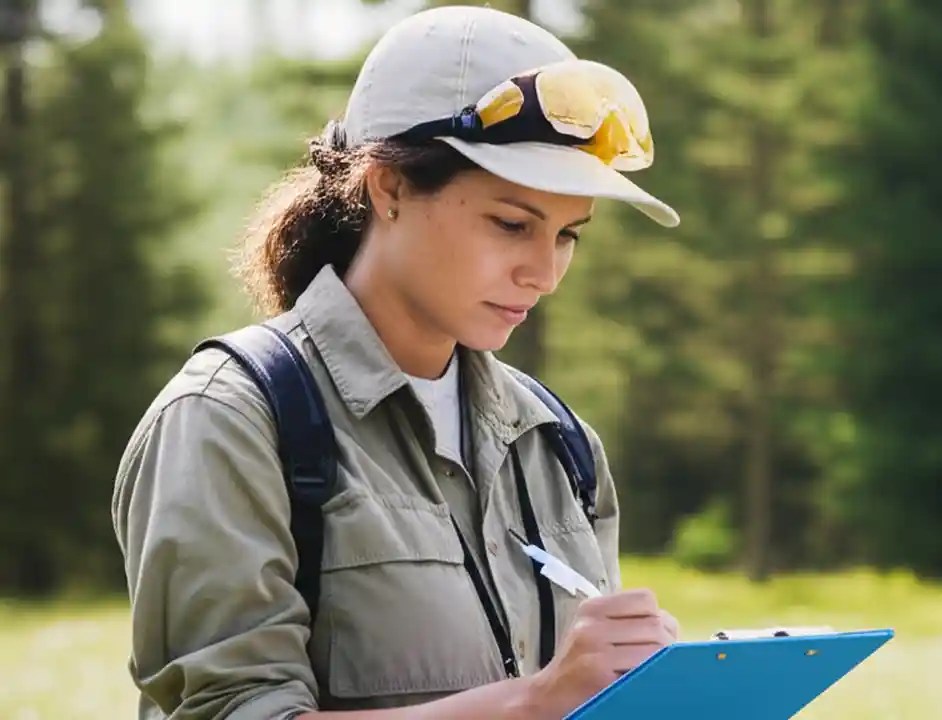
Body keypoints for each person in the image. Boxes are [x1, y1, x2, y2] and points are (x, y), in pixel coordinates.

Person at [111, 6, 682, 719]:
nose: (545, 272)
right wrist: (533, 702)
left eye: (569, 235)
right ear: (388, 189)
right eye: (512, 225)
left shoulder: (558, 444)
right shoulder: (230, 420)